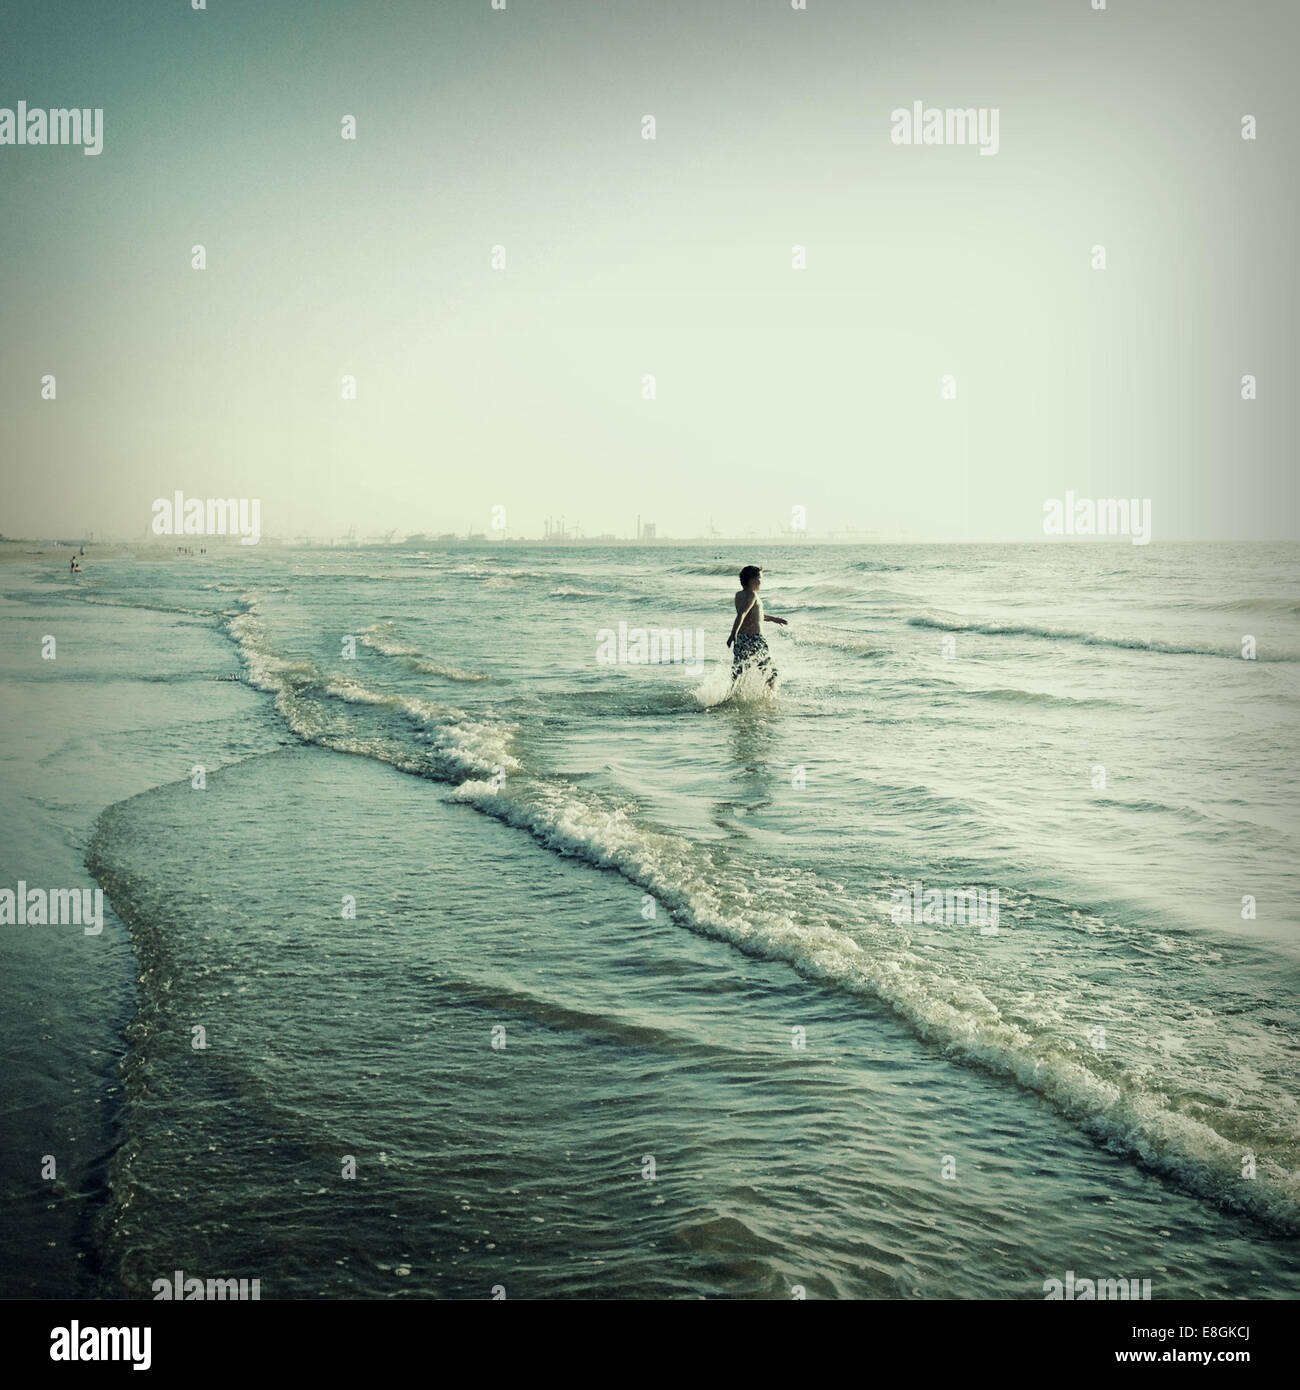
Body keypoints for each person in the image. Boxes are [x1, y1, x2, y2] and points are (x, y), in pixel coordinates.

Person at [726, 565, 787, 688]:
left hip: (742, 639)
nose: (761, 581)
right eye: (760, 578)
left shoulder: (739, 595)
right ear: (752, 580)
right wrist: (732, 633)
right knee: (770, 672)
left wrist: (773, 619)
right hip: (754, 639)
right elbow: (742, 614)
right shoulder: (752, 595)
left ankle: (732, 694)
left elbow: (753, 615)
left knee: (739, 672)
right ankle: (770, 696)